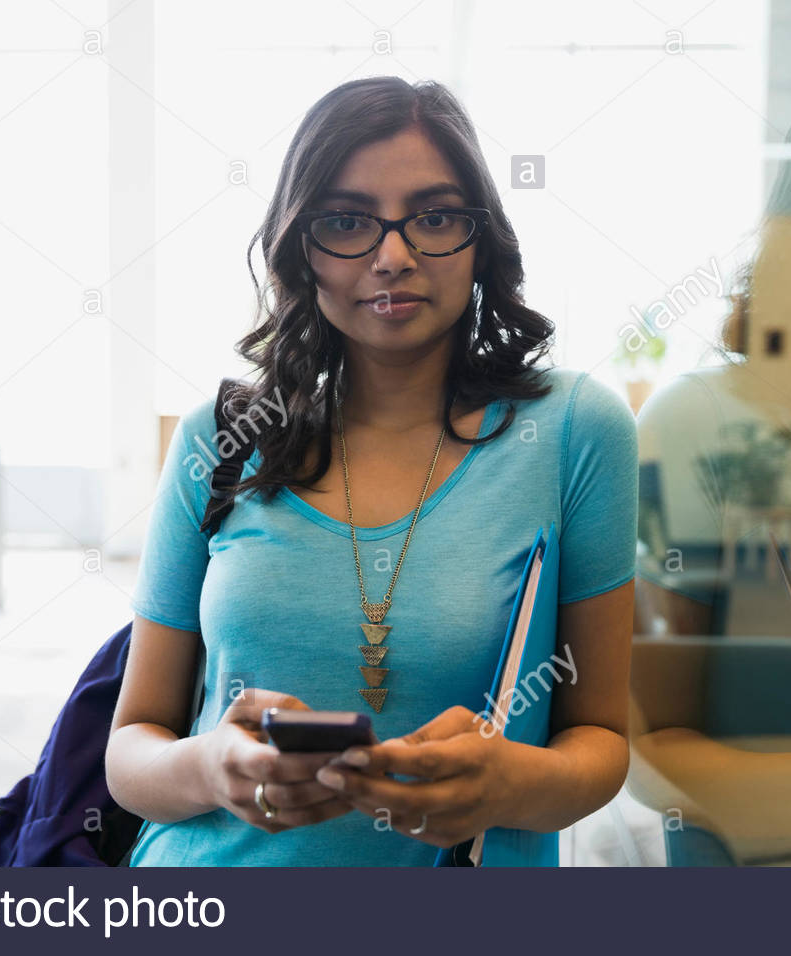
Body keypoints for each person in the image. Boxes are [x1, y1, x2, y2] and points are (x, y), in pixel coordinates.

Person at [105, 76, 638, 866]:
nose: (394, 257)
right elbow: (129, 752)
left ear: (480, 236)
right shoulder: (221, 438)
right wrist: (209, 766)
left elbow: (600, 740)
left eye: (434, 217)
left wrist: (507, 784)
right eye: (348, 221)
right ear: (301, 244)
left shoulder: (573, 429)